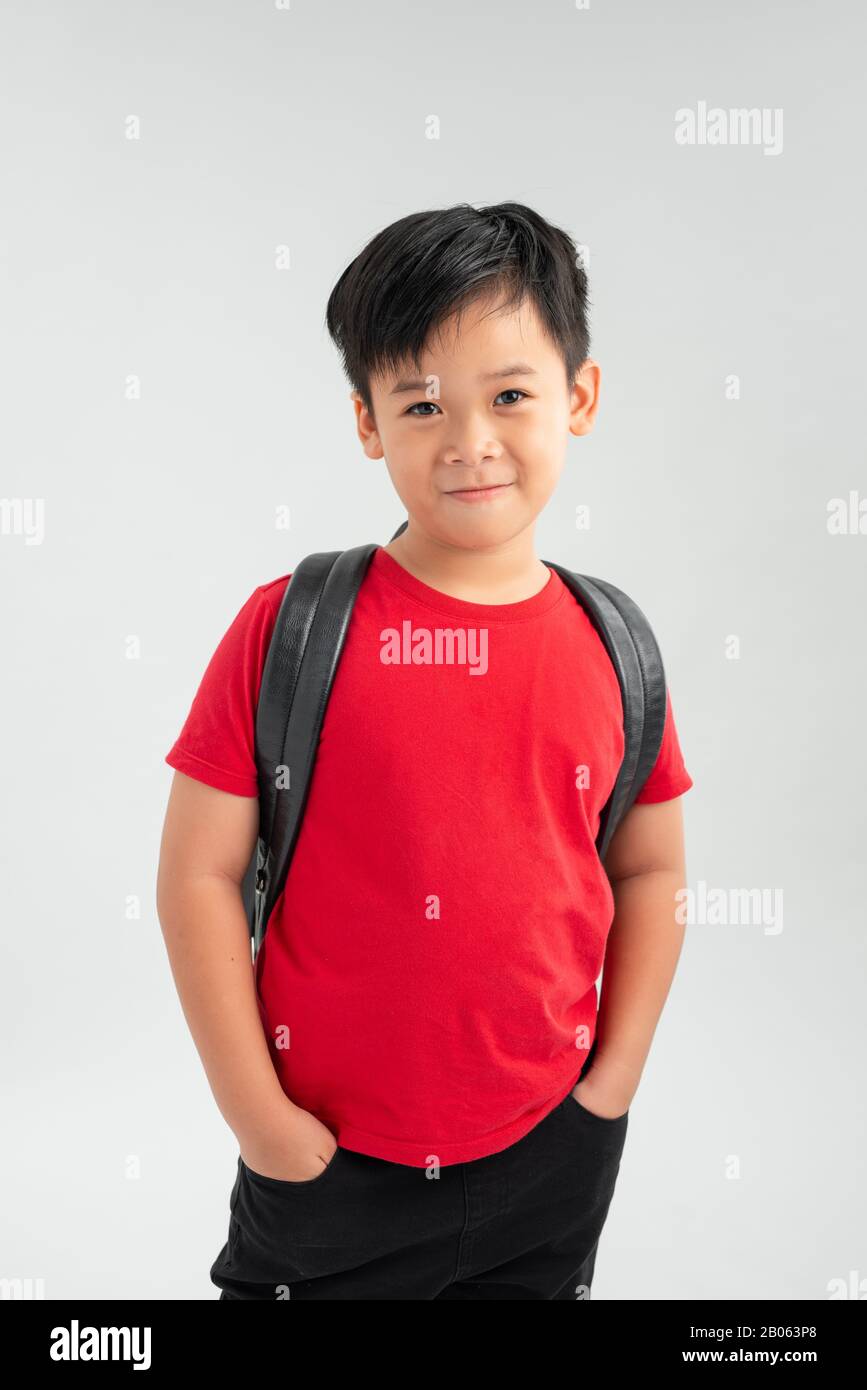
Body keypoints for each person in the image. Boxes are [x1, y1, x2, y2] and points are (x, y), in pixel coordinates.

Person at [156, 201, 694, 1300]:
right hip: (327, 1170)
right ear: (367, 422)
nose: (469, 441)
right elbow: (197, 877)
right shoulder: (292, 627)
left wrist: (612, 1084)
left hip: (550, 1153)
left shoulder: (616, 644)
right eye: (421, 403)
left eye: (508, 395)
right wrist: (265, 1126)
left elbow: (651, 869)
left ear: (577, 398)